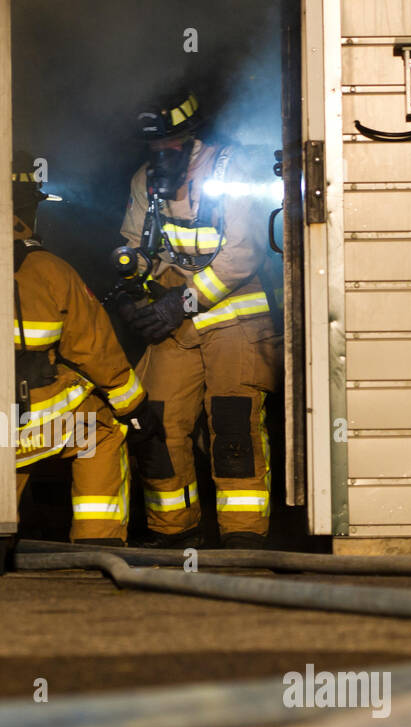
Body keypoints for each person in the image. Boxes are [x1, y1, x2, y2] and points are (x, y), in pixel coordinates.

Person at [114, 90, 283, 549]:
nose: (161, 154)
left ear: (192, 137)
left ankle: (243, 540)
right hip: (178, 328)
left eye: (171, 143)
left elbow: (243, 254)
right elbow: (135, 245)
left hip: (235, 323)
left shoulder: (231, 171)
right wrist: (134, 284)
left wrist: (179, 303)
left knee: (232, 426)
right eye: (154, 146)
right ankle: (173, 534)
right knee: (158, 424)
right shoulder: (144, 182)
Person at [10, 151, 169, 545]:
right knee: (102, 428)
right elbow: (96, 351)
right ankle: (99, 543)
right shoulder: (49, 270)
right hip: (22, 425)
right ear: (30, 206)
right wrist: (134, 409)